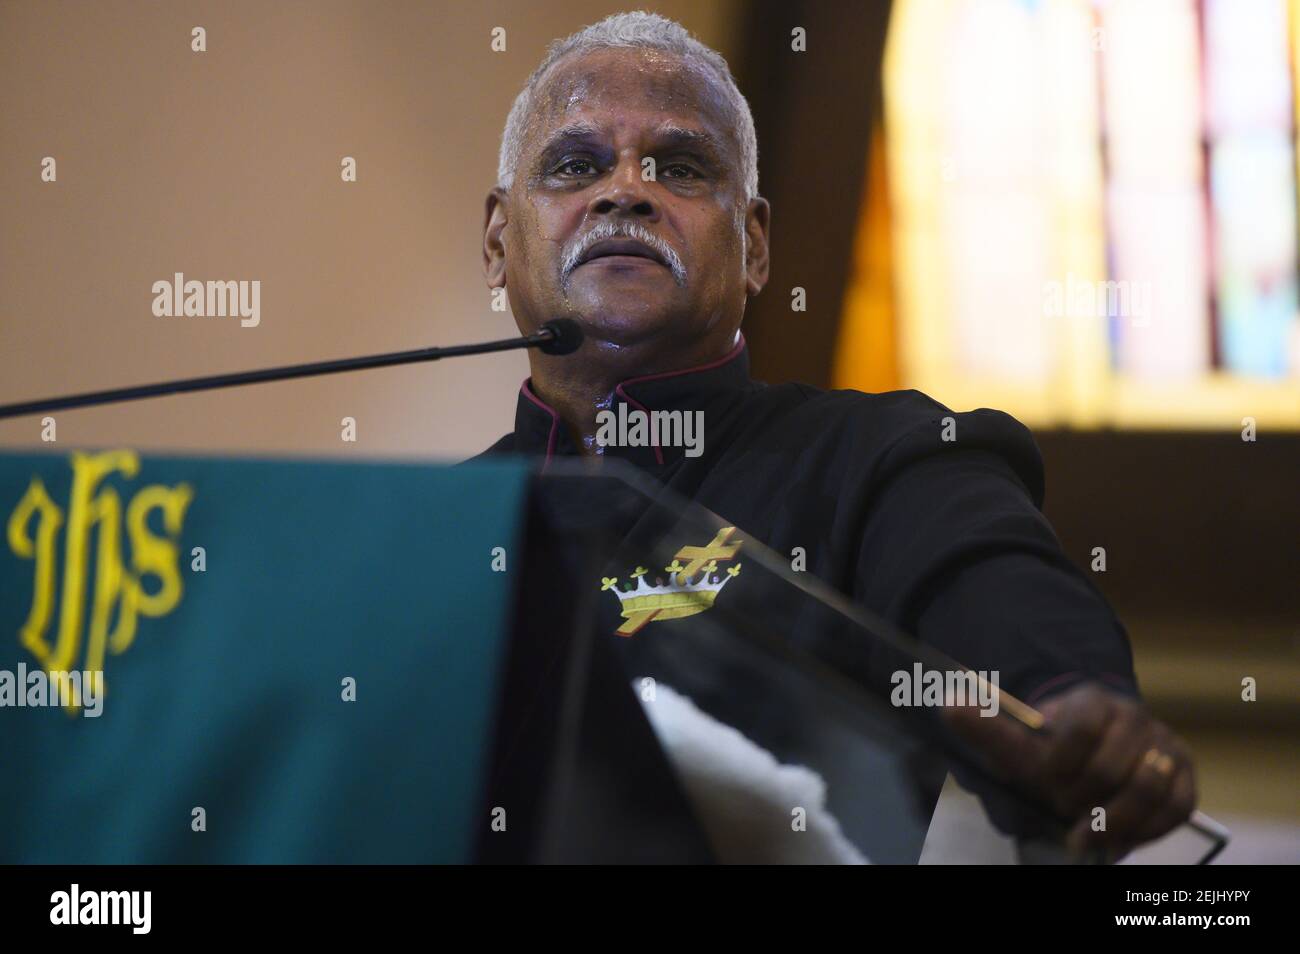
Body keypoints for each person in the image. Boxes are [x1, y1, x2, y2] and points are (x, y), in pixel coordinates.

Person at [476, 11, 1195, 860]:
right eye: (575, 165)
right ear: (497, 242)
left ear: (753, 246)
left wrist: (1069, 697)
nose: (626, 189)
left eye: (681, 167)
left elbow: (989, 581)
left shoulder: (886, 457)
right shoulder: (429, 526)